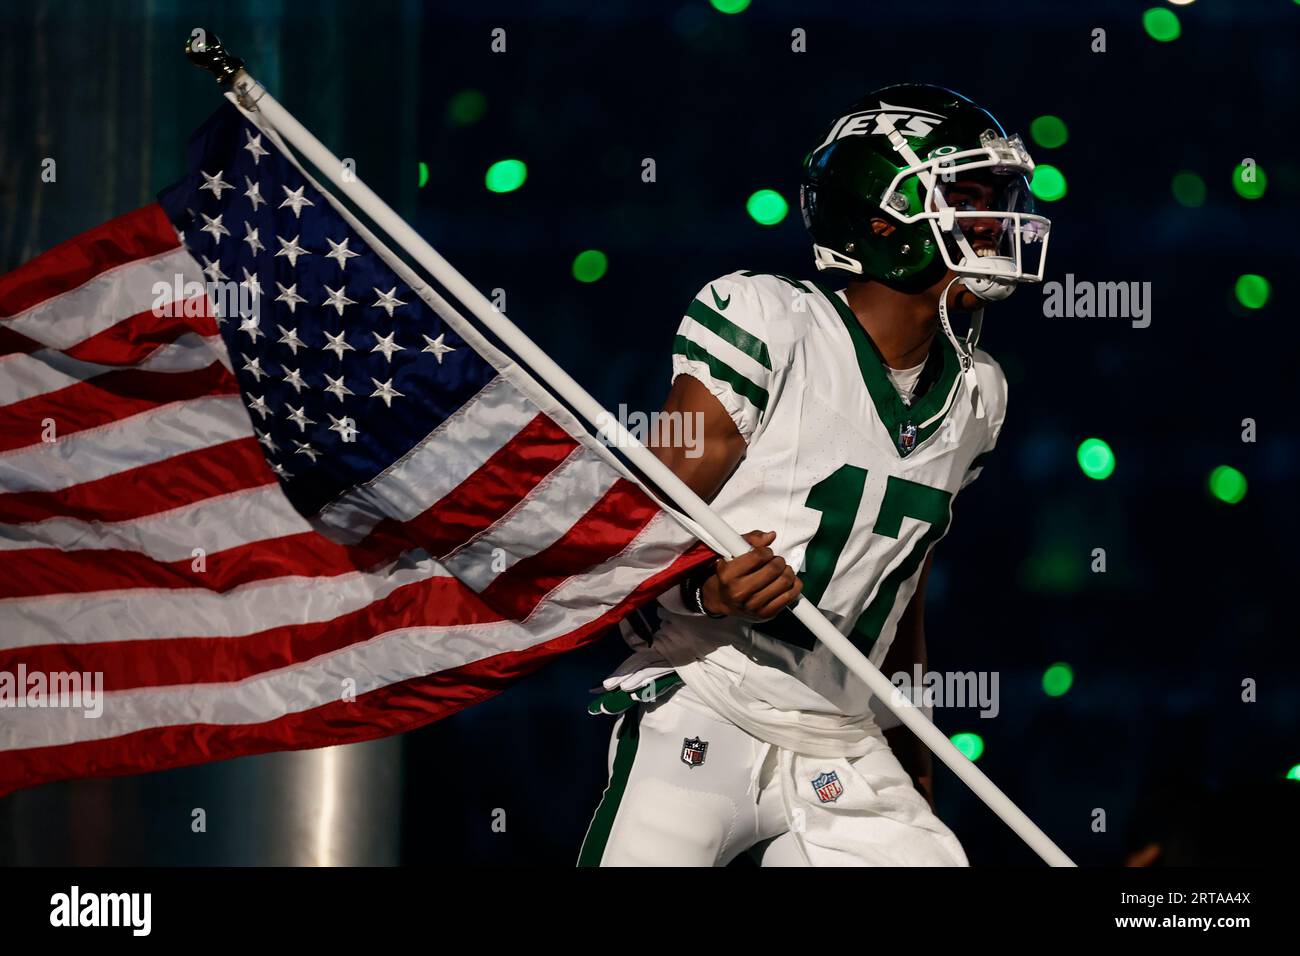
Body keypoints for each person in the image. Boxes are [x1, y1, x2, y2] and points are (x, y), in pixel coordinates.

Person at [578, 84, 1051, 867]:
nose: (996, 221)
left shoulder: (978, 394)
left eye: (996, 198)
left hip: (841, 729)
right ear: (881, 218)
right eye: (966, 198)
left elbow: (899, 594)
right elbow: (632, 528)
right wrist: (708, 592)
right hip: (712, 690)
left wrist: (910, 741)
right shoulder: (770, 322)